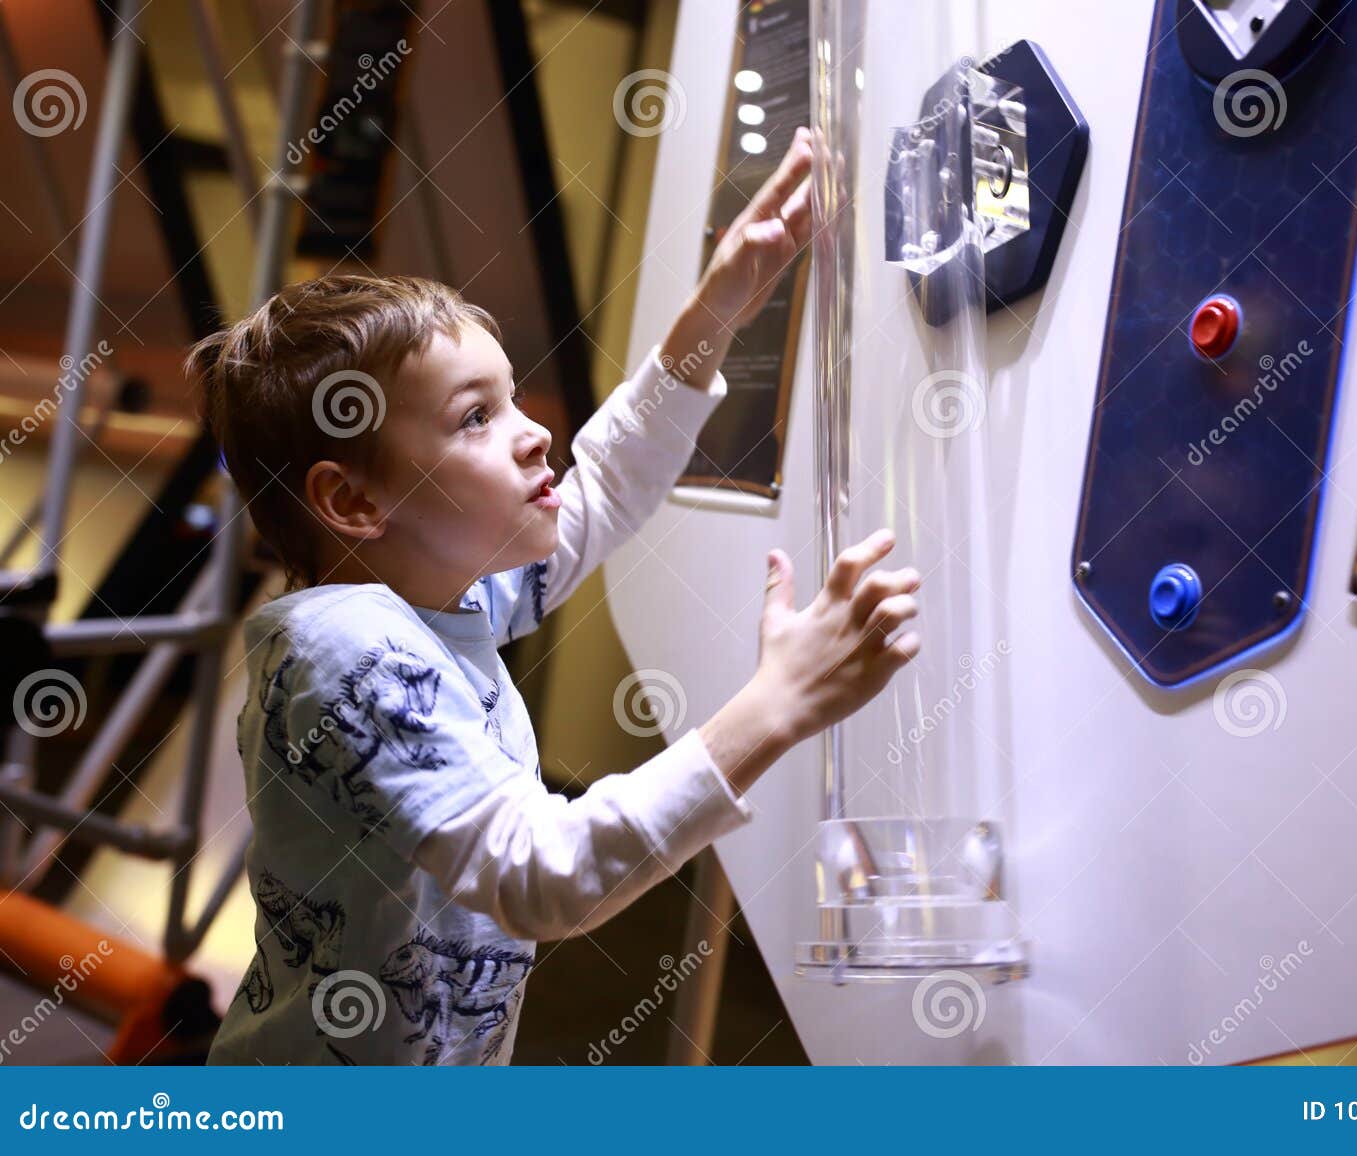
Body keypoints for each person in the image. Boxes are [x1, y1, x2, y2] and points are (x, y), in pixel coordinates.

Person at [192, 128, 921, 1064]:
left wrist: (718, 307)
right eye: (475, 417)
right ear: (355, 502)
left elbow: (605, 487)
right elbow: (548, 875)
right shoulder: (348, 647)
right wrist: (778, 702)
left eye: (512, 398)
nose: (534, 433)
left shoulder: (438, 601)